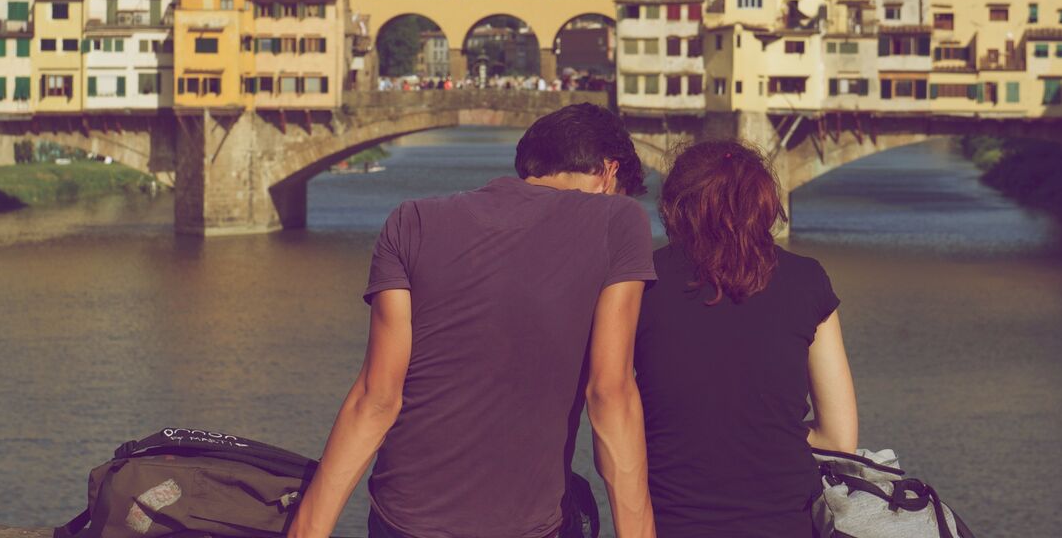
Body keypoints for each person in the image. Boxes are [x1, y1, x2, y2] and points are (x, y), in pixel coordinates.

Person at [287, 103, 659, 538]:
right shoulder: (618, 220)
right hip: (524, 526)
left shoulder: (410, 221)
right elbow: (610, 395)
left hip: (402, 518)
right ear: (609, 173)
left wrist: (306, 530)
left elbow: (376, 397)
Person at [635, 140, 859, 537]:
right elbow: (839, 439)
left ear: (674, 205)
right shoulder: (808, 280)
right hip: (785, 523)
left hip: (671, 523)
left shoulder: (639, 282)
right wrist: (767, 432)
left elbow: (608, 402)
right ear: (763, 202)